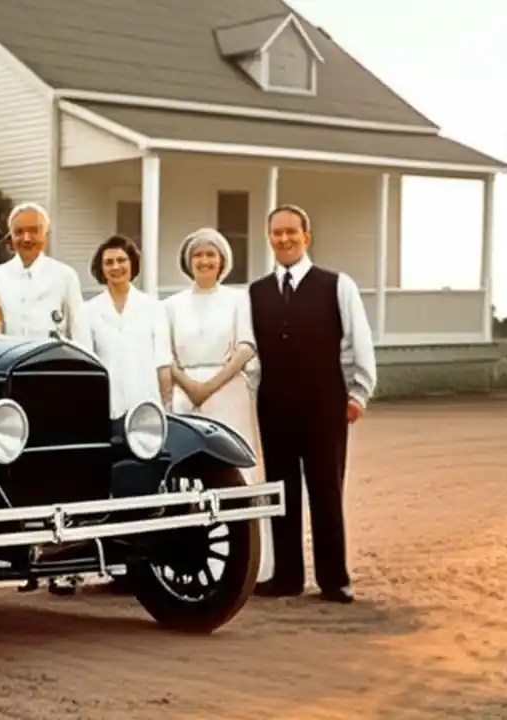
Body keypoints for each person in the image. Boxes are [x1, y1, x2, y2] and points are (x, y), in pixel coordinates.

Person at [247, 204, 376, 604]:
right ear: (269, 239)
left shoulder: (337, 285)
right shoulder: (256, 292)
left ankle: (334, 578)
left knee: (325, 489)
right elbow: (251, 355)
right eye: (277, 233)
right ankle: (286, 575)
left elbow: (359, 341)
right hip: (275, 406)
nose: (284, 240)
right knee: (282, 491)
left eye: (291, 232)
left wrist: (358, 394)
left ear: (307, 236)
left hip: (324, 405)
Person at [163, 227, 272, 583]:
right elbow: (166, 355)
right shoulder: (172, 305)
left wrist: (210, 384)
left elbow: (246, 347)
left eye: (211, 255)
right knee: (186, 475)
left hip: (227, 393)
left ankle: (249, 564)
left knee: (235, 472)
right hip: (185, 394)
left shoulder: (237, 299)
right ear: (188, 262)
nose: (204, 261)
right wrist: (189, 386)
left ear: (222, 261)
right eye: (198, 255)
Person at [71, 234, 172, 427]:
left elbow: (163, 366)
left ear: (132, 263)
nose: (116, 267)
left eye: (121, 260)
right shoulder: (87, 312)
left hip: (147, 407)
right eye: (109, 262)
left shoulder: (154, 308)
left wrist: (167, 410)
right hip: (106, 408)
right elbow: (85, 368)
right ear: (101, 268)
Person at [0, 202, 84, 339]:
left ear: (45, 235)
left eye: (34, 231)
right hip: (10, 358)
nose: (27, 238)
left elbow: (78, 332)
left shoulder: (65, 276)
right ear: (11, 236)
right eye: (19, 232)